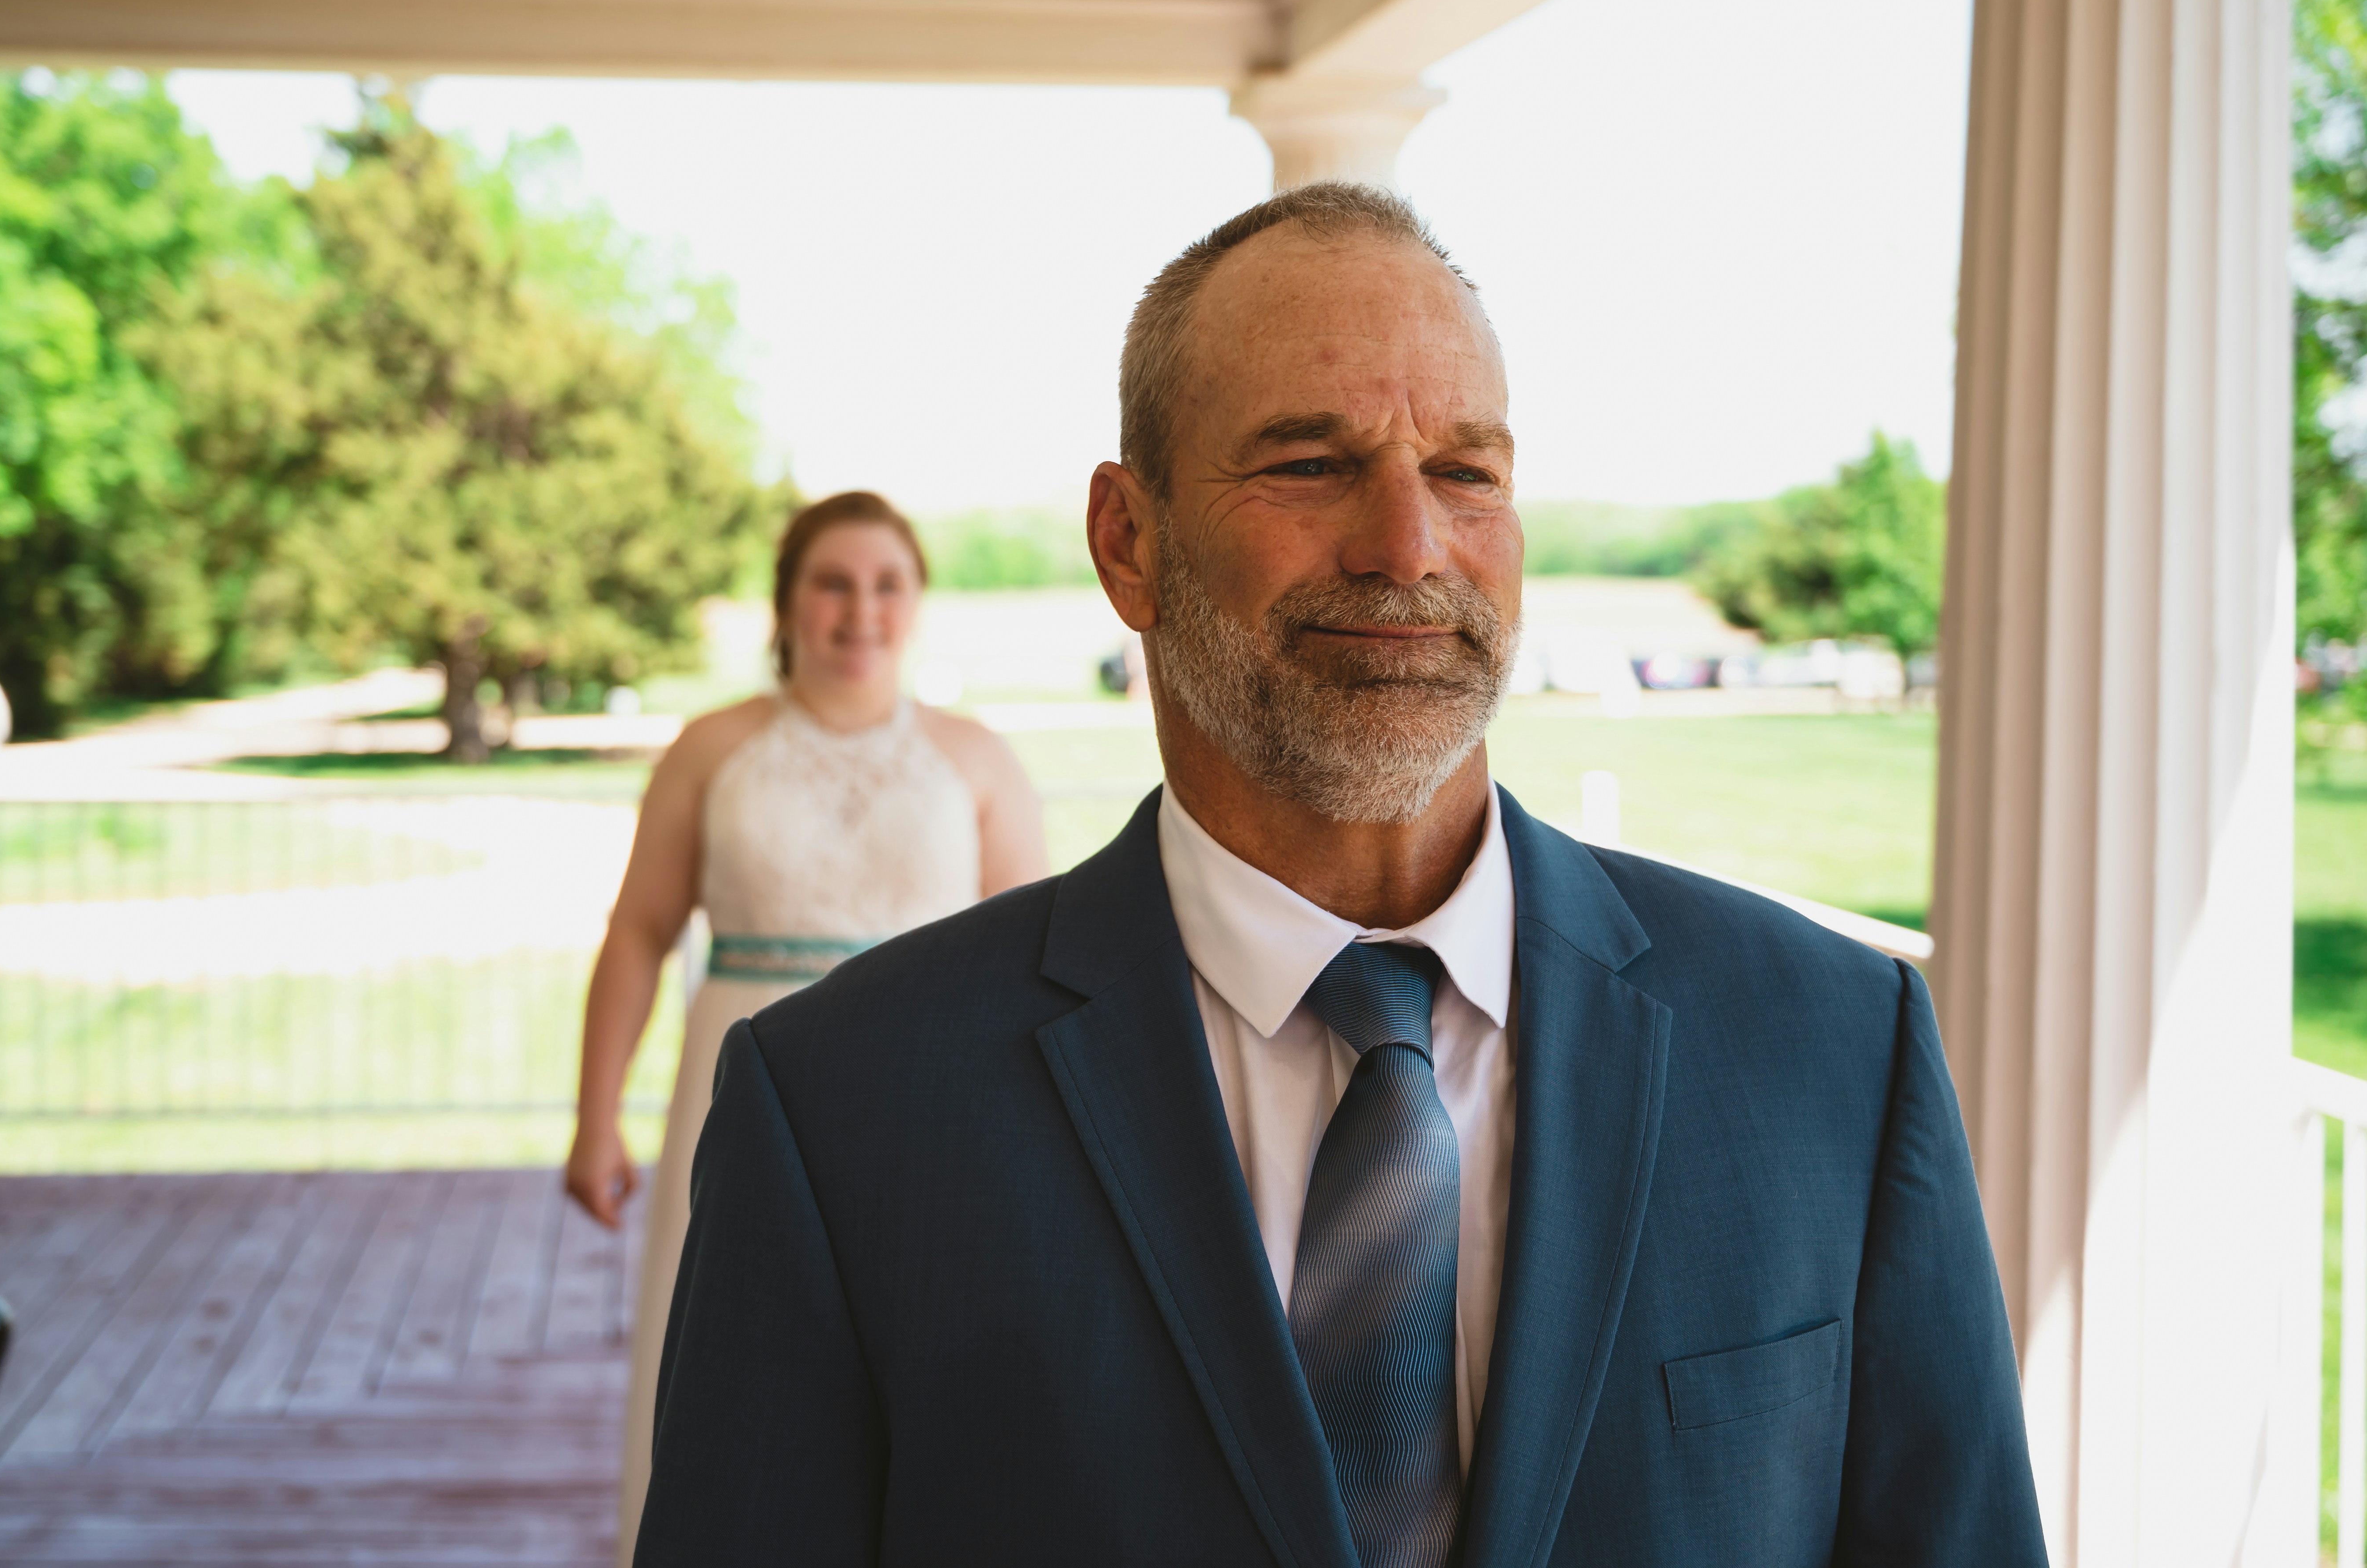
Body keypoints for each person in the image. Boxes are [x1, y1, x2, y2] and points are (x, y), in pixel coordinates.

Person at [633, 186, 2045, 1566]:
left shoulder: (1833, 1052)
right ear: (1130, 541)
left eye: (1465, 472)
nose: (1408, 546)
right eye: (1310, 464)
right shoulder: (843, 1108)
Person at [562, 489, 1048, 1560]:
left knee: (922, 1349)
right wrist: (597, 1119)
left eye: (887, 583)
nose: (860, 608)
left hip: (930, 1095)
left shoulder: (976, 757)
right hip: (738, 1075)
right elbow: (639, 932)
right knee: (717, 1351)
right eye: (833, 580)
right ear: (787, 599)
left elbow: (1038, 970)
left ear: (916, 603)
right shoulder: (711, 748)